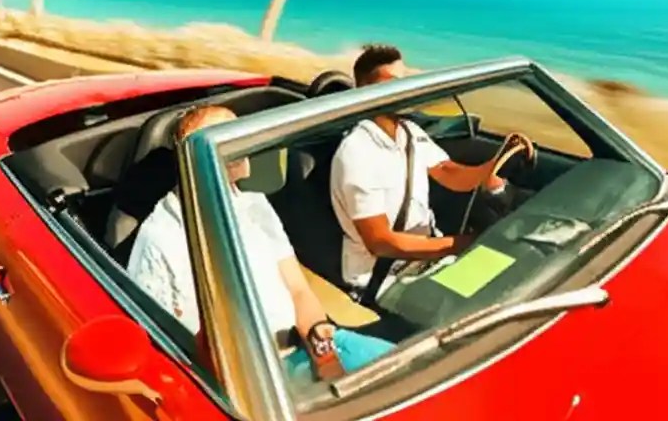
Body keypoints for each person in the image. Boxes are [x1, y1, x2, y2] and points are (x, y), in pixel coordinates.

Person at [127, 104, 394, 383]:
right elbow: (171, 351)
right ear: (191, 160)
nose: (240, 146)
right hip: (244, 381)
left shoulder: (255, 205)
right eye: (224, 141)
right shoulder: (160, 237)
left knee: (412, 368)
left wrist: (325, 357)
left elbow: (298, 290)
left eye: (239, 135)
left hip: (307, 347)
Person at [330, 44, 526, 297]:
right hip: (387, 277)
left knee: (514, 274)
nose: (405, 89)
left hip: (429, 261)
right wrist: (460, 244)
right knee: (484, 299)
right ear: (368, 90)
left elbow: (448, 172)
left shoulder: (410, 132)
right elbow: (381, 242)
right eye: (392, 82)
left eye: (406, 81)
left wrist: (496, 164)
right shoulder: (356, 152)